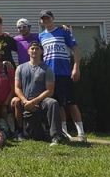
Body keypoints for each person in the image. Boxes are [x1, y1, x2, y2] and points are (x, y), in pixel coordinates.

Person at [38, 10, 86, 142]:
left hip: (64, 73)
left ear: (53, 18)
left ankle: (81, 133)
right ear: (41, 21)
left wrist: (76, 67)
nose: (46, 20)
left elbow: (75, 49)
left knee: (71, 103)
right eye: (43, 19)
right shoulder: (41, 36)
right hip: (49, 75)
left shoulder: (63, 31)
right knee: (57, 104)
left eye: (48, 18)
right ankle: (63, 132)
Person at [12, 41, 64, 145]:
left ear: (41, 51)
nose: (34, 50)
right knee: (15, 100)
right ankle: (20, 132)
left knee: (52, 102)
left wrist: (35, 101)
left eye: (37, 48)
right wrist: (25, 101)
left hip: (41, 102)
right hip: (25, 103)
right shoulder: (20, 68)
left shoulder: (47, 69)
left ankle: (56, 136)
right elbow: (17, 88)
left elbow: (50, 91)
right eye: (32, 48)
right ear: (28, 51)